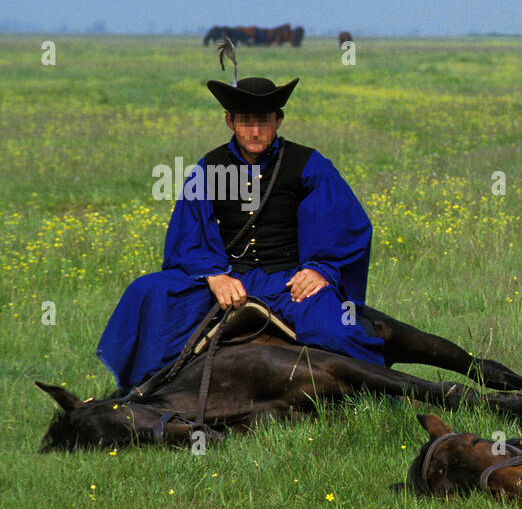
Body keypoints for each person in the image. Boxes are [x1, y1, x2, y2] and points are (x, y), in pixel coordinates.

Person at [98, 75, 386, 391]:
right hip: (231, 278)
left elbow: (345, 224)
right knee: (146, 291)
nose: (254, 131)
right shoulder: (210, 167)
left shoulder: (309, 164)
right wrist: (214, 275)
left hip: (288, 281)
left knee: (338, 333)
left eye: (263, 121)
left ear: (278, 120)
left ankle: (387, 393)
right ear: (229, 121)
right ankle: (142, 390)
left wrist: (320, 269)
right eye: (245, 121)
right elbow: (188, 233)